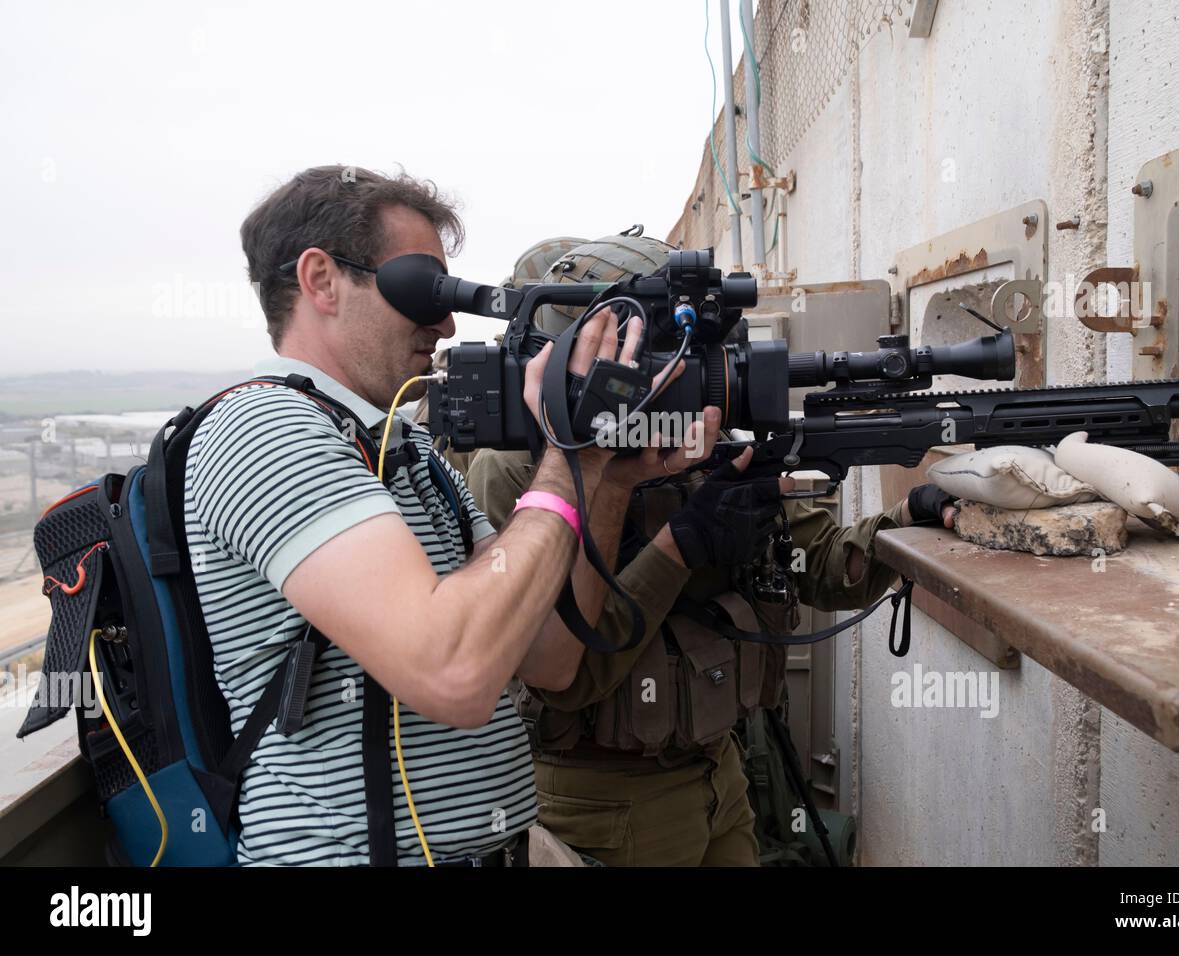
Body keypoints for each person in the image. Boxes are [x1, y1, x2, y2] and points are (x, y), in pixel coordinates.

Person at [186, 166, 650, 865]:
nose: (446, 321)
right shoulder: (263, 429)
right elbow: (455, 674)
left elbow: (550, 656)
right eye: (422, 289)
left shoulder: (405, 452)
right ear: (320, 281)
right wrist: (569, 458)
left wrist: (608, 481)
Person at [465, 234, 956, 866]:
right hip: (599, 804)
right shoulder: (525, 470)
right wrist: (681, 544)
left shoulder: (707, 438)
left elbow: (833, 570)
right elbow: (567, 675)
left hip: (719, 779)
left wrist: (908, 520)